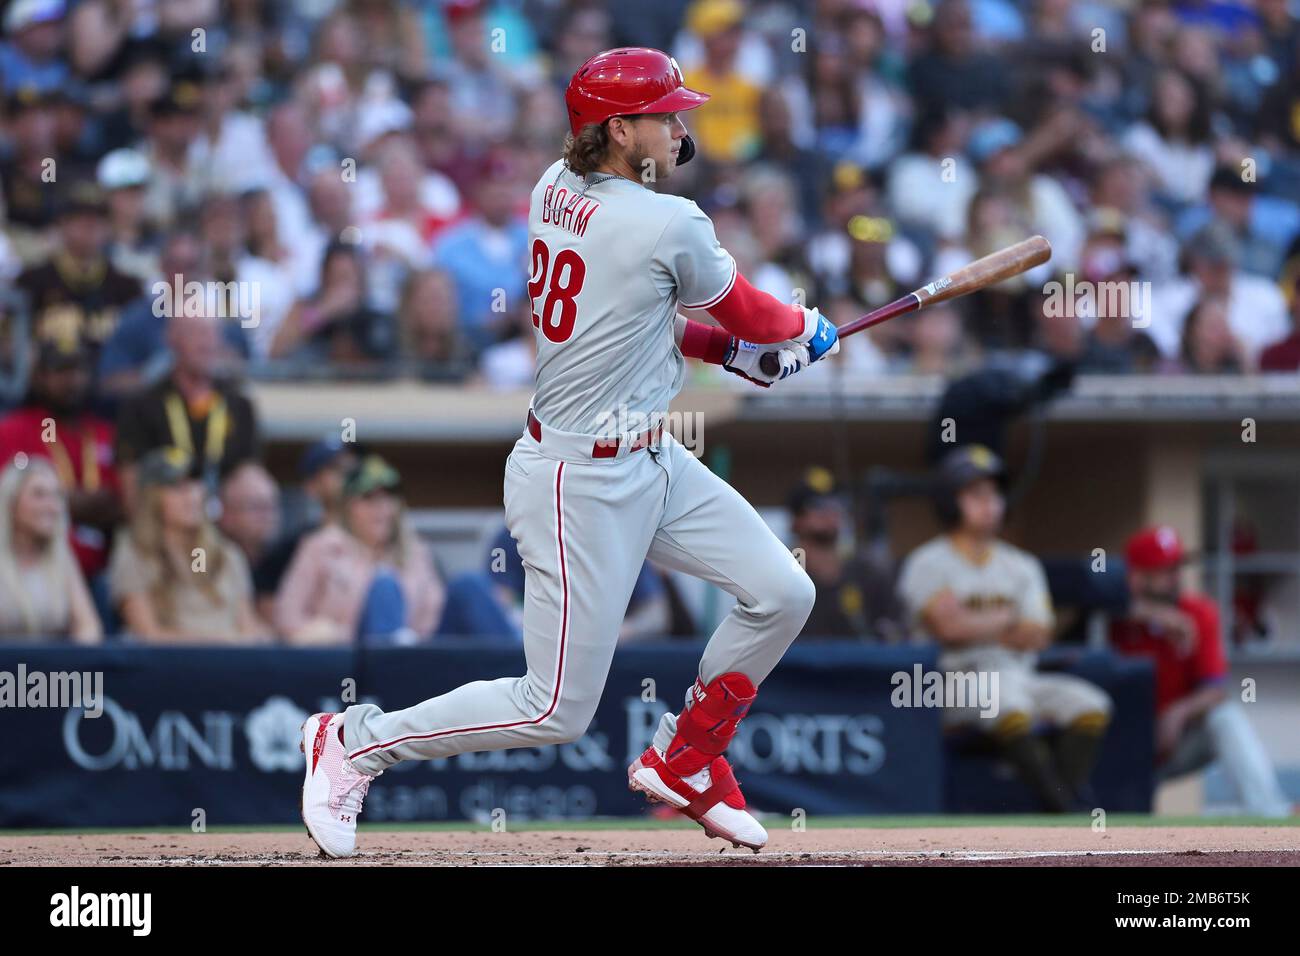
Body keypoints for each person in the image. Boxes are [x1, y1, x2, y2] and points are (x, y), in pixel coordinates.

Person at [301, 47, 840, 859]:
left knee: (781, 592)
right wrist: (804, 331)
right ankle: (353, 742)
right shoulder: (667, 219)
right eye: (663, 115)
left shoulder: (553, 188)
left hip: (649, 455)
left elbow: (628, 310)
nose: (680, 125)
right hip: (577, 481)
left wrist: (725, 354)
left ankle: (688, 756)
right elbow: (761, 318)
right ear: (619, 129)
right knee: (554, 708)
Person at [897, 445, 1112, 812]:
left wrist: (973, 621)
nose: (990, 503)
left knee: (1092, 704)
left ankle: (1056, 803)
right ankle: (1064, 811)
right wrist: (1007, 618)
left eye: (994, 493)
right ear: (951, 501)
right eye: (976, 494)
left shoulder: (1022, 565)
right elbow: (948, 630)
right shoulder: (927, 562)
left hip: (1018, 672)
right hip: (950, 681)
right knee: (1008, 703)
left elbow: (1038, 635)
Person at [1109, 526, 1290, 817]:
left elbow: (1216, 689)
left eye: (1177, 568)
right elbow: (1073, 615)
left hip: (1169, 739)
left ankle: (1269, 814)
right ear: (1137, 577)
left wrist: (1178, 713)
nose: (1176, 577)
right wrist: (1147, 613)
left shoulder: (1199, 612)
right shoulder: (1109, 614)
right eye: (1164, 570)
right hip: (1118, 746)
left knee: (1226, 718)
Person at [275, 455, 442, 646]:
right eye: (369, 497)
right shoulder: (321, 547)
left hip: (413, 658)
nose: (381, 507)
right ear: (347, 506)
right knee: (384, 586)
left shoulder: (417, 552)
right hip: (346, 660)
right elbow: (286, 618)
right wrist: (334, 634)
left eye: (389, 496)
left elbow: (435, 619)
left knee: (469, 586)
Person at [107, 446, 266, 645]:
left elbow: (248, 627)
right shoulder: (135, 553)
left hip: (232, 666)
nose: (192, 496)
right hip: (171, 667)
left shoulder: (227, 553)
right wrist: (221, 643)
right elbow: (148, 634)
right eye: (178, 487)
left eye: (196, 484)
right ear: (152, 497)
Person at [0, 340, 121, 582]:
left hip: (101, 570)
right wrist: (82, 503)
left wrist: (56, 501)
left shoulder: (105, 433)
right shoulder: (12, 429)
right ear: (39, 377)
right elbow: (9, 503)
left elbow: (122, 504)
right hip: (32, 570)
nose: (73, 381)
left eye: (80, 370)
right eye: (61, 371)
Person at [114, 310, 260, 507]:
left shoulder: (239, 406)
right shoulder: (141, 406)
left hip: (225, 520)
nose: (206, 343)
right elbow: (131, 481)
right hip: (164, 517)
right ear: (171, 340)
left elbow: (248, 476)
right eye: (195, 333)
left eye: (212, 334)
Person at [787, 467, 904, 641]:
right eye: (817, 504)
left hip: (864, 667)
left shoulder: (867, 573)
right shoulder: (784, 577)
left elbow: (896, 632)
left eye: (837, 503)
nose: (829, 511)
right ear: (796, 519)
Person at [0, 457, 101, 643]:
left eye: (57, 496)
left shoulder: (61, 558)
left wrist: (74, 663)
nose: (53, 506)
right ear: (10, 503)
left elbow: (88, 627)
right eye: (39, 495)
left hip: (53, 670)